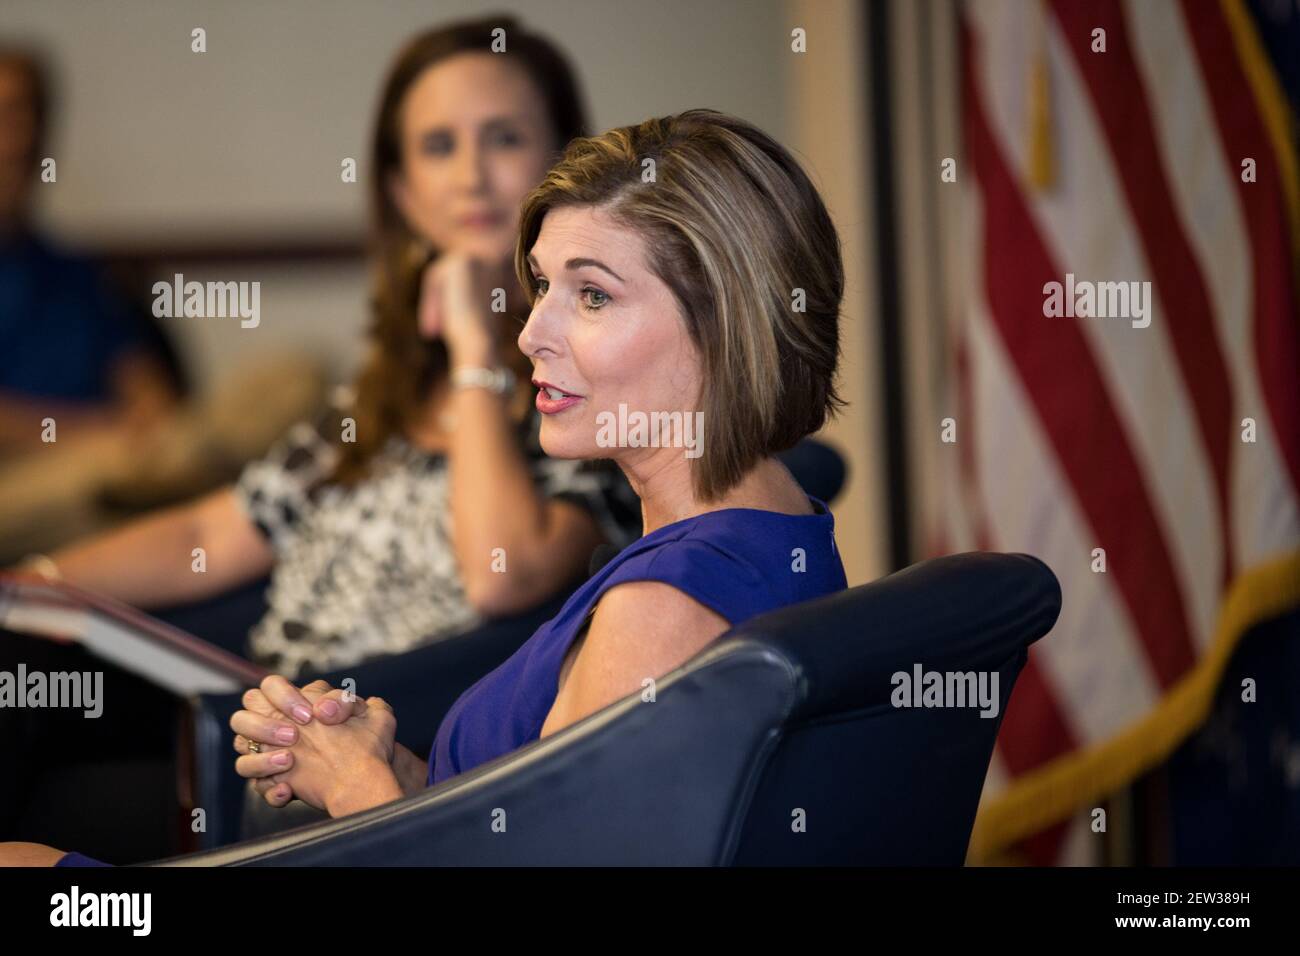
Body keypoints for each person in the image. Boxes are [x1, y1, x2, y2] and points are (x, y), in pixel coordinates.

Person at [7, 107, 849, 867]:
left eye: (591, 295)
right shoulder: (776, 529)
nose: (531, 332)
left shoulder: (663, 608)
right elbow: (527, 830)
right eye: (544, 285)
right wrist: (390, 765)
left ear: (725, 326)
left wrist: (353, 789)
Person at [0, 17, 636, 862]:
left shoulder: (585, 394)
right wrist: (33, 584)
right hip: (231, 703)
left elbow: (504, 575)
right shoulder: (378, 397)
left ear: (563, 168)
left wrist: (480, 348)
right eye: (439, 146)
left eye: (506, 138)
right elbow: (210, 532)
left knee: (47, 792)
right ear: (404, 190)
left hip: (351, 750)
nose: (473, 174)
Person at [0, 46, 178, 455]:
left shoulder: (77, 275)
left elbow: (145, 386)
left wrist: (148, 415)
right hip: (33, 478)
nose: (21, 139)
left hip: (129, 461)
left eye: (31, 116)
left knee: (290, 380)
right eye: (6, 117)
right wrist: (98, 433)